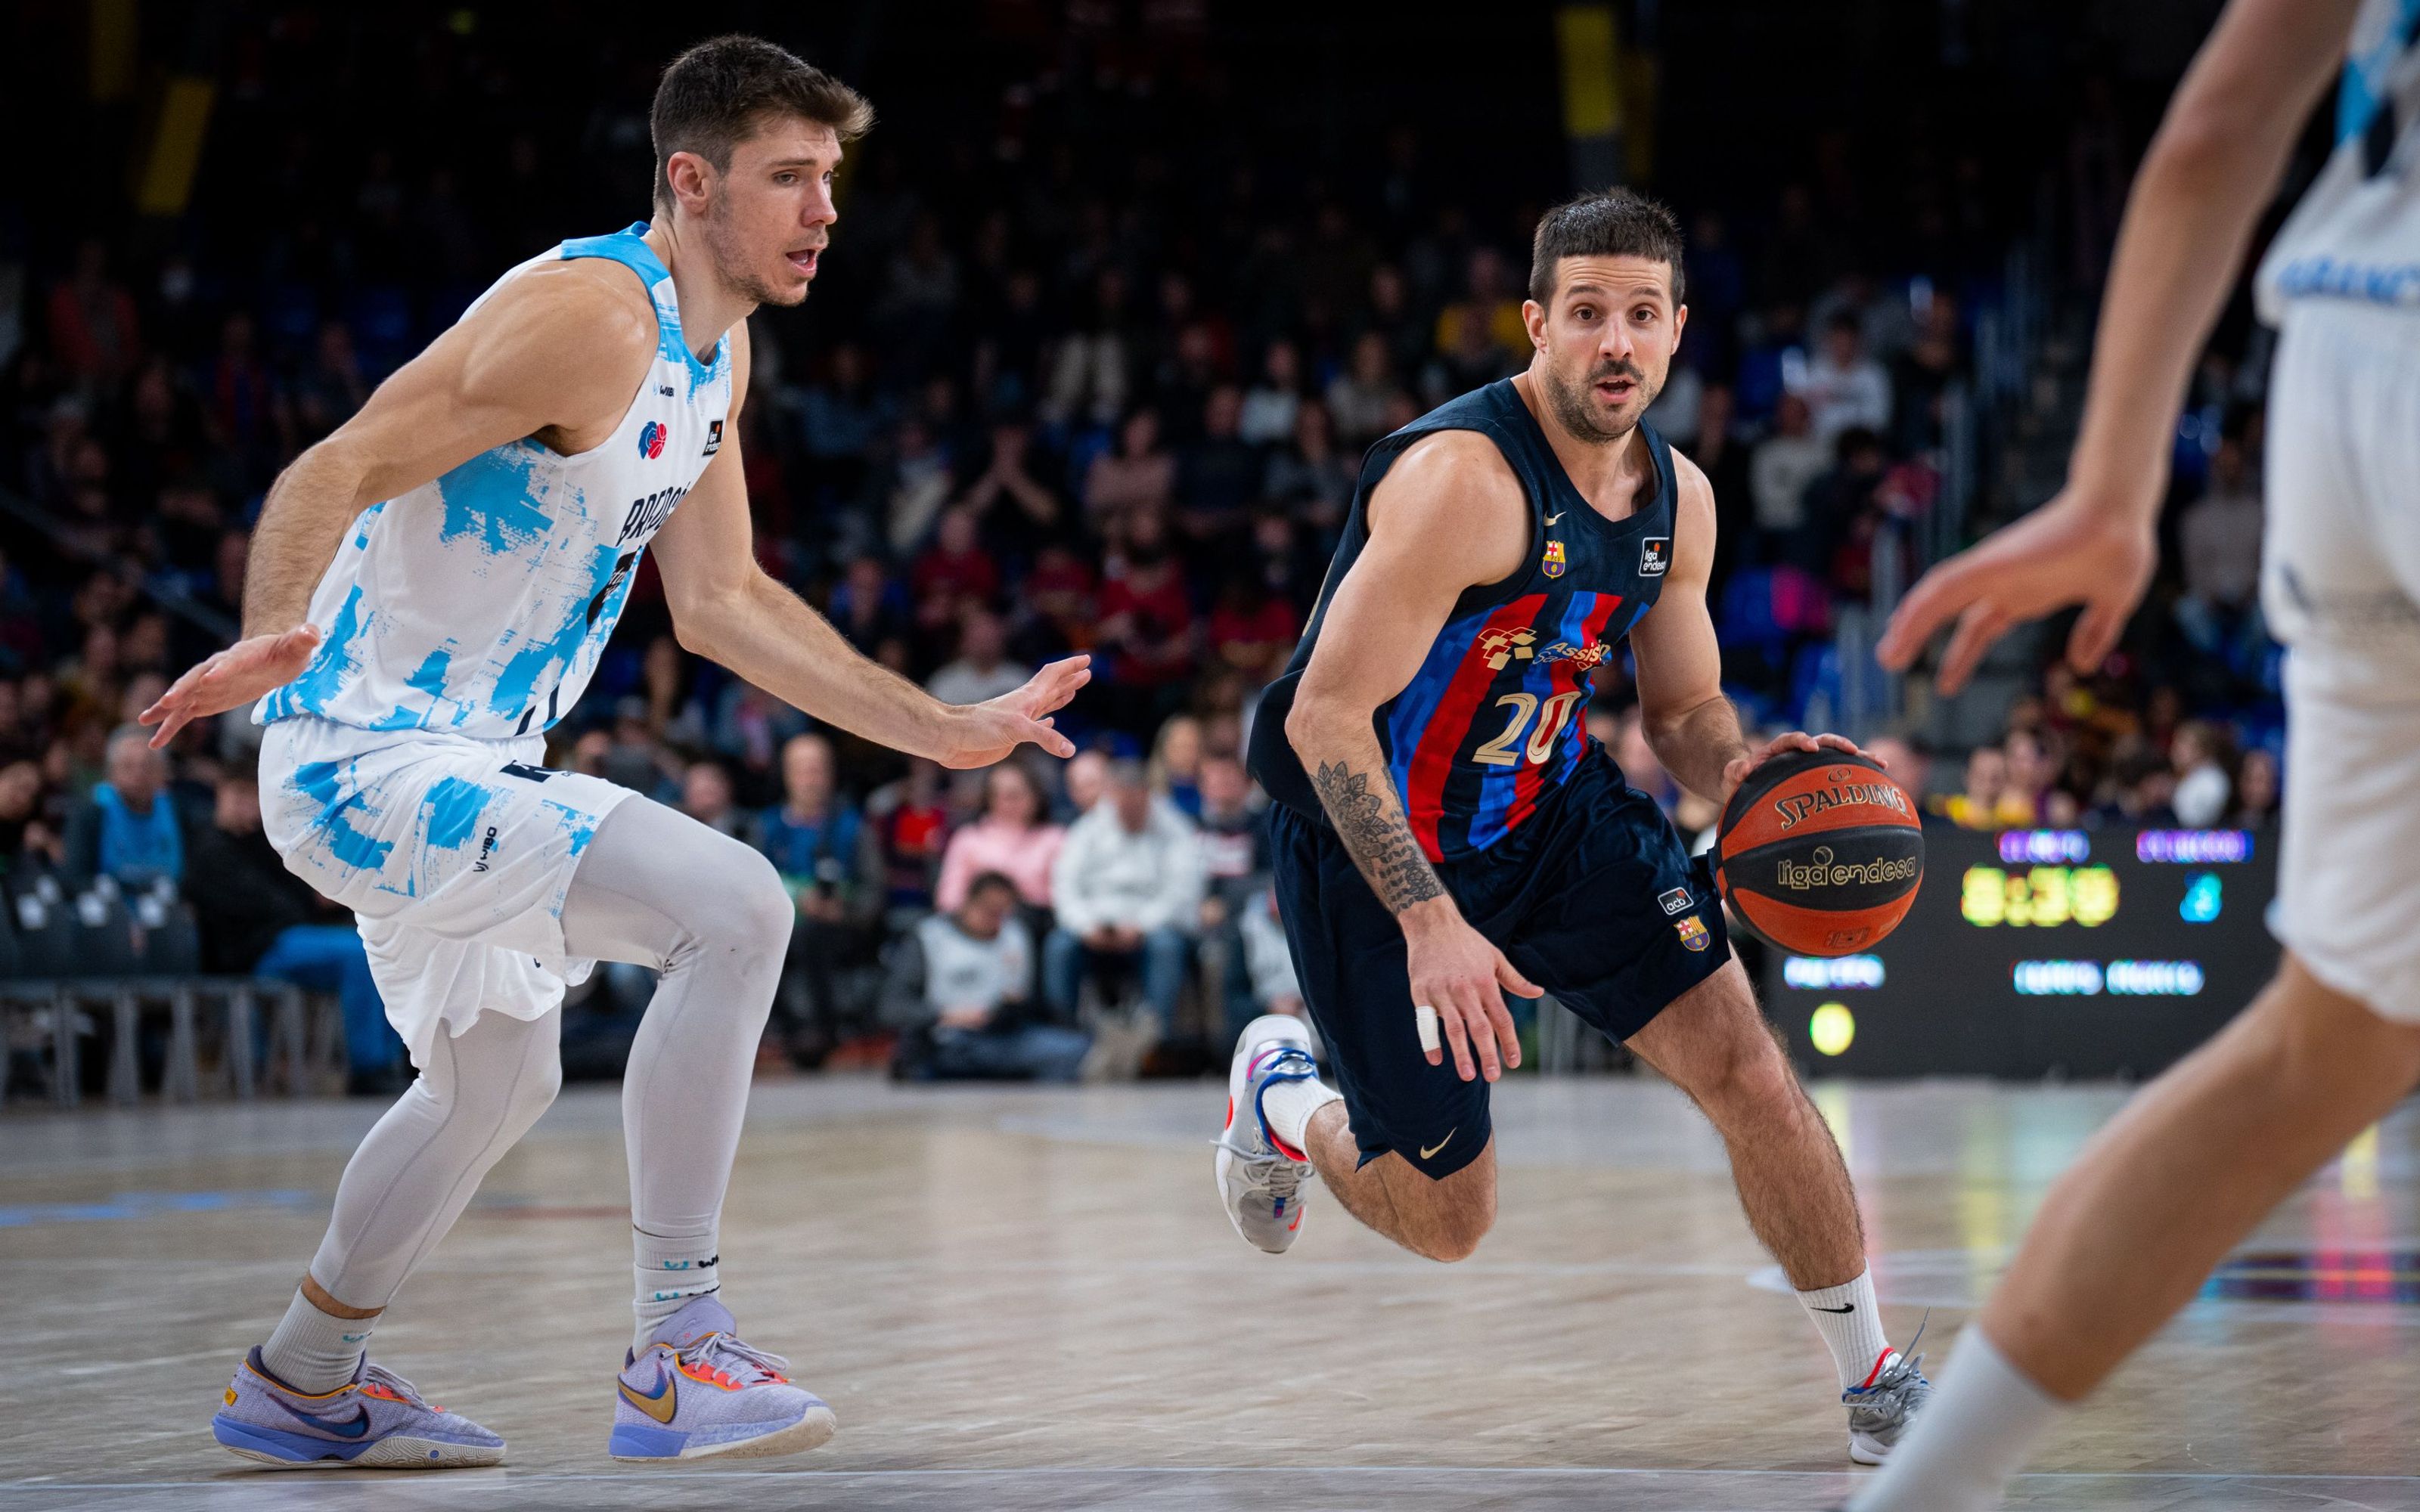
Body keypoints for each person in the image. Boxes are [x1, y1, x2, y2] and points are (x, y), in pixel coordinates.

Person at [143, 37, 1087, 1472]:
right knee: (737, 907)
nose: (824, 210)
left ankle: (303, 1374)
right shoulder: (591, 316)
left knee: (496, 1087)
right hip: (366, 758)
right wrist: (276, 626)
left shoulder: (721, 349)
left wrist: (944, 731)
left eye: (830, 178)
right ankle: (677, 1348)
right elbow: (331, 465)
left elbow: (721, 606)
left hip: (473, 768)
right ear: (691, 181)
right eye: (789, 177)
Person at [1231, 188, 1930, 1463]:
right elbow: (1325, 720)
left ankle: (1874, 1375)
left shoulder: (1682, 500)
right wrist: (1429, 918)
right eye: (1590, 313)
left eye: (1643, 315)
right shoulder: (1460, 482)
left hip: (1554, 812)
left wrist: (1749, 771)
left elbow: (1684, 708)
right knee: (1450, 1221)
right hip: (1374, 840)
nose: (1618, 341)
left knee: (1751, 1071)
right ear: (1538, 326)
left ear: (1676, 334)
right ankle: (1287, 1102)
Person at [1855, 3, 2406, 1505]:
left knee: (2324, 1049)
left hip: (2342, 356)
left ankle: (1920, 1491)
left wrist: (2111, 485)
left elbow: (2216, 128)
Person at [184, 765, 406, 1093]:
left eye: (251, 796)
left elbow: (299, 896)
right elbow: (267, 905)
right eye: (237, 795)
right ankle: (368, 1068)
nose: (245, 804)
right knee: (360, 955)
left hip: (286, 938)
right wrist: (304, 902)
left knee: (384, 947)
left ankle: (394, 1063)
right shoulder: (209, 849)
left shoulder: (265, 843)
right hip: (254, 951)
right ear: (221, 796)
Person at [1045, 758, 1204, 1040]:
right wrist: (1085, 926)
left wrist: (1141, 926)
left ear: (1147, 794)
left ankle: (1154, 1043)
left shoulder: (1175, 827)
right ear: (1112, 796)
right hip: (1095, 927)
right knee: (1059, 946)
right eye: (1122, 799)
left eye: (1136, 799)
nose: (1129, 807)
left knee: (1166, 946)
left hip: (1151, 928)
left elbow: (1182, 893)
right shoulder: (1087, 829)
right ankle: (1065, 1039)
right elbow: (1065, 886)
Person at [883, 871, 1088, 1081]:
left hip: (1004, 1037)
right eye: (989, 910)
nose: (996, 919)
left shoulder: (1016, 934)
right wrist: (947, 1015)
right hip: (947, 1038)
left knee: (1075, 1050)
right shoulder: (931, 937)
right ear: (969, 903)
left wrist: (1013, 1008)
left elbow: (1035, 1004)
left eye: (1003, 912)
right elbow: (894, 1007)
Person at [64, 725, 190, 891]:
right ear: (111, 774)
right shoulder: (91, 814)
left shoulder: (180, 812)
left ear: (163, 773)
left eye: (147, 766)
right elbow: (75, 878)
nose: (139, 774)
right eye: (128, 766)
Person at [934, 760, 1063, 912]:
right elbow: (948, 899)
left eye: (1013, 795)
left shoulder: (1054, 838)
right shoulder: (967, 838)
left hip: (1039, 924)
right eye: (996, 795)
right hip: (977, 928)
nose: (1004, 802)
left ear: (1035, 796)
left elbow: (1066, 896)